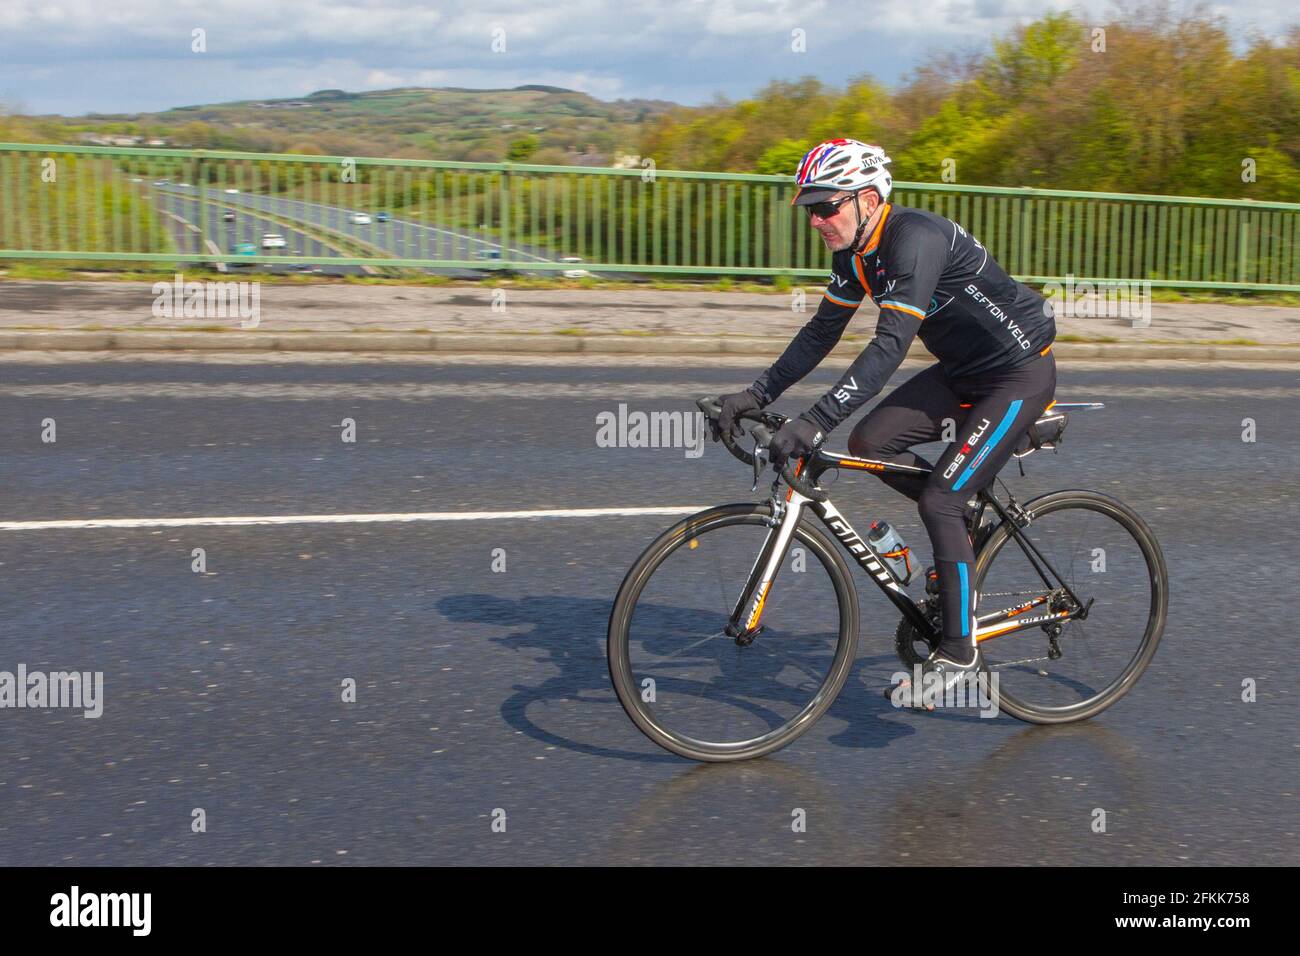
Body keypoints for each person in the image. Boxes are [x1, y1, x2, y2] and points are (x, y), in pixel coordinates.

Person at [711, 138, 1057, 694]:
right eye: (810, 209)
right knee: (870, 441)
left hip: (1017, 376)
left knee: (939, 498)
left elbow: (889, 345)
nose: (818, 220)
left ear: (868, 198)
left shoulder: (913, 240)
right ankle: (964, 521)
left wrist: (817, 419)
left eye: (828, 206)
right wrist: (756, 395)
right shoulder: (853, 253)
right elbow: (822, 332)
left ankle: (960, 651)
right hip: (962, 371)